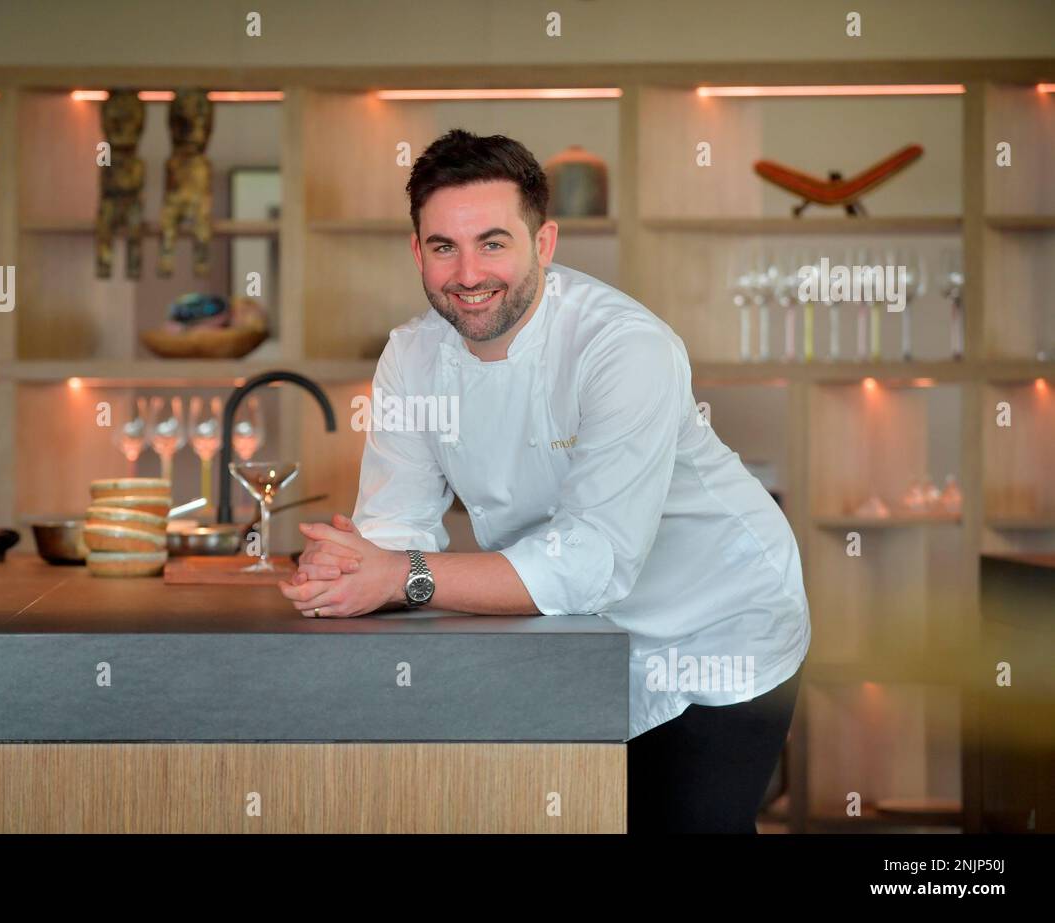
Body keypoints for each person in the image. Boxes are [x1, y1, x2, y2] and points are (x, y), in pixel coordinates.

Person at [278, 129, 810, 833]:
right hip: (570, 636)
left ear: (545, 243)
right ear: (417, 252)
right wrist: (354, 568)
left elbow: (592, 561)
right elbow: (394, 529)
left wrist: (398, 572)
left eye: (493, 242)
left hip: (714, 626)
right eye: (443, 247)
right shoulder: (411, 356)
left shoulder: (623, 347)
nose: (468, 272)